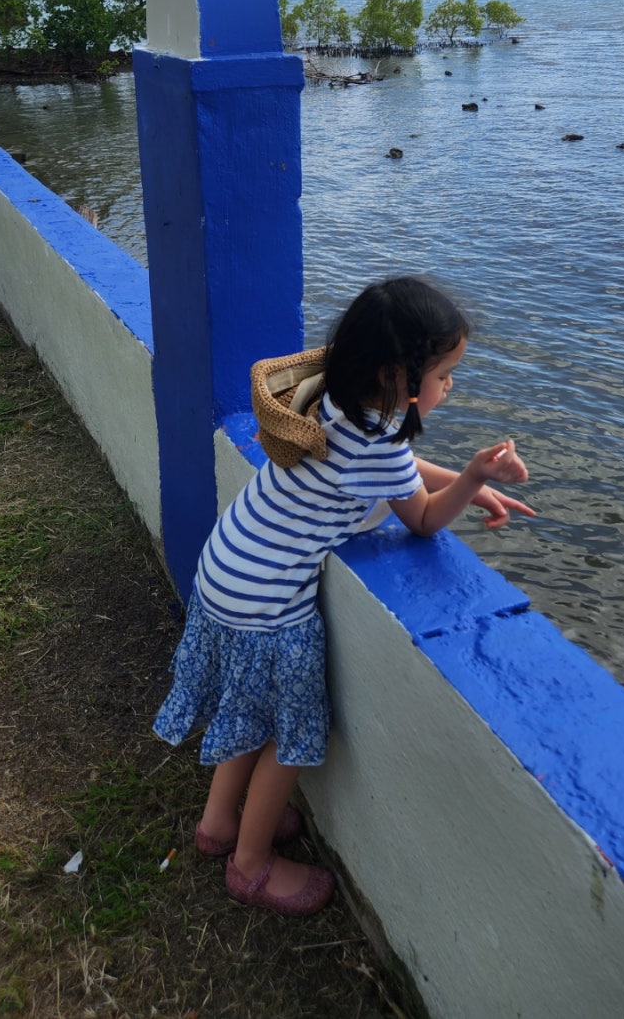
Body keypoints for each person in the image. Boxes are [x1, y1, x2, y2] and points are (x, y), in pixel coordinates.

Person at [153, 275, 534, 916]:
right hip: (271, 604)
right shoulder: (380, 439)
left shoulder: (329, 400)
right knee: (288, 734)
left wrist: (472, 485)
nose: (450, 389)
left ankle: (219, 826)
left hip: (227, 567)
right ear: (398, 378)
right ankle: (248, 867)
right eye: (445, 376)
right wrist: (472, 476)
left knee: (247, 707)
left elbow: (396, 473)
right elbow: (422, 517)